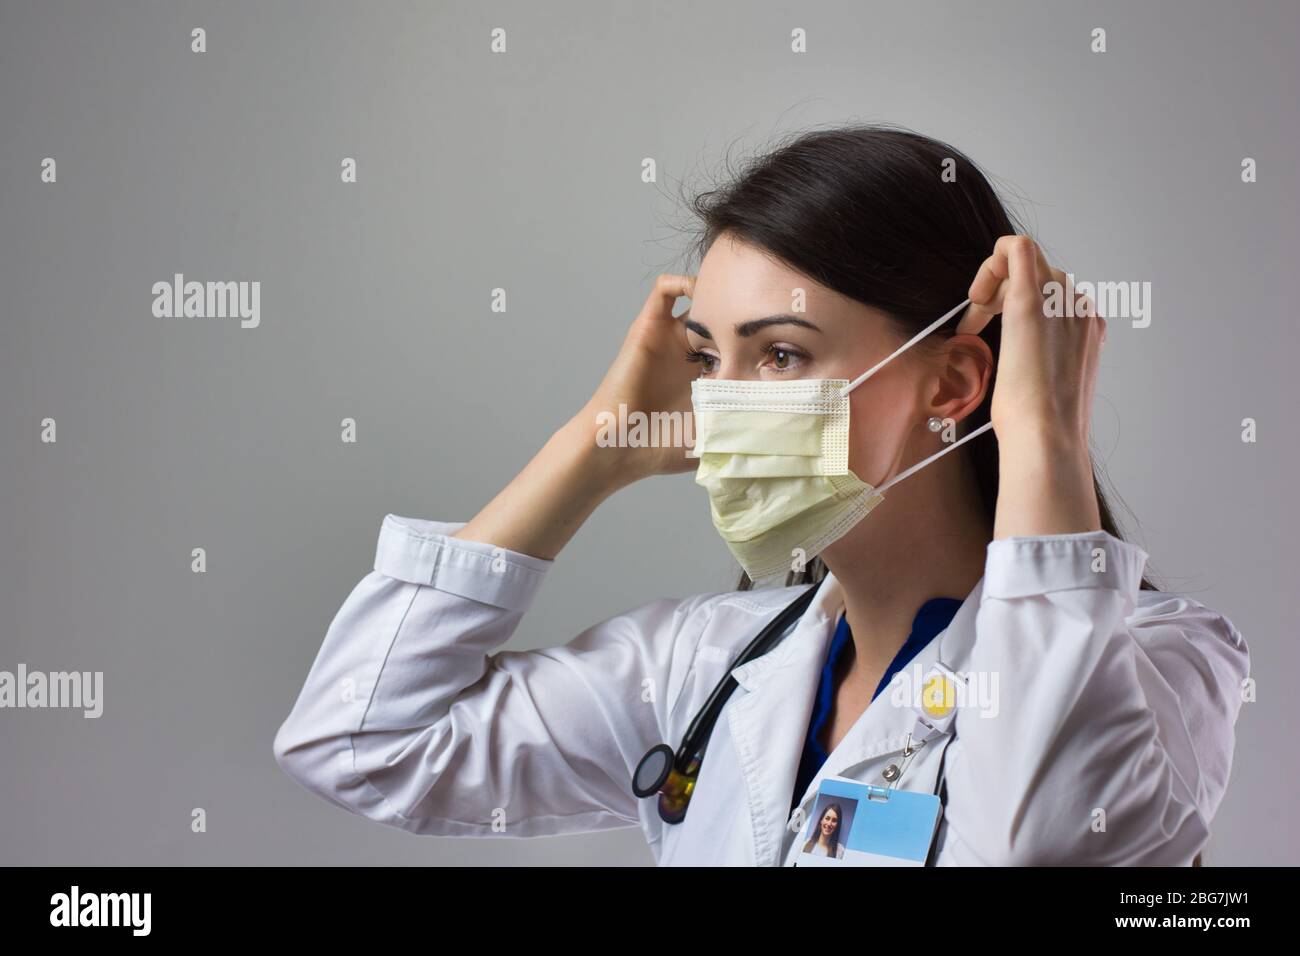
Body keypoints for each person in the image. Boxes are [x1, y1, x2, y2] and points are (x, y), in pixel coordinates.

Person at [273, 125, 1250, 866]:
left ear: (953, 382)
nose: (725, 401)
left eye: (779, 353)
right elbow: (361, 739)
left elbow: (1039, 832)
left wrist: (1043, 435)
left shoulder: (1165, 663)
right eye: (710, 357)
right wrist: (593, 449)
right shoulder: (703, 663)